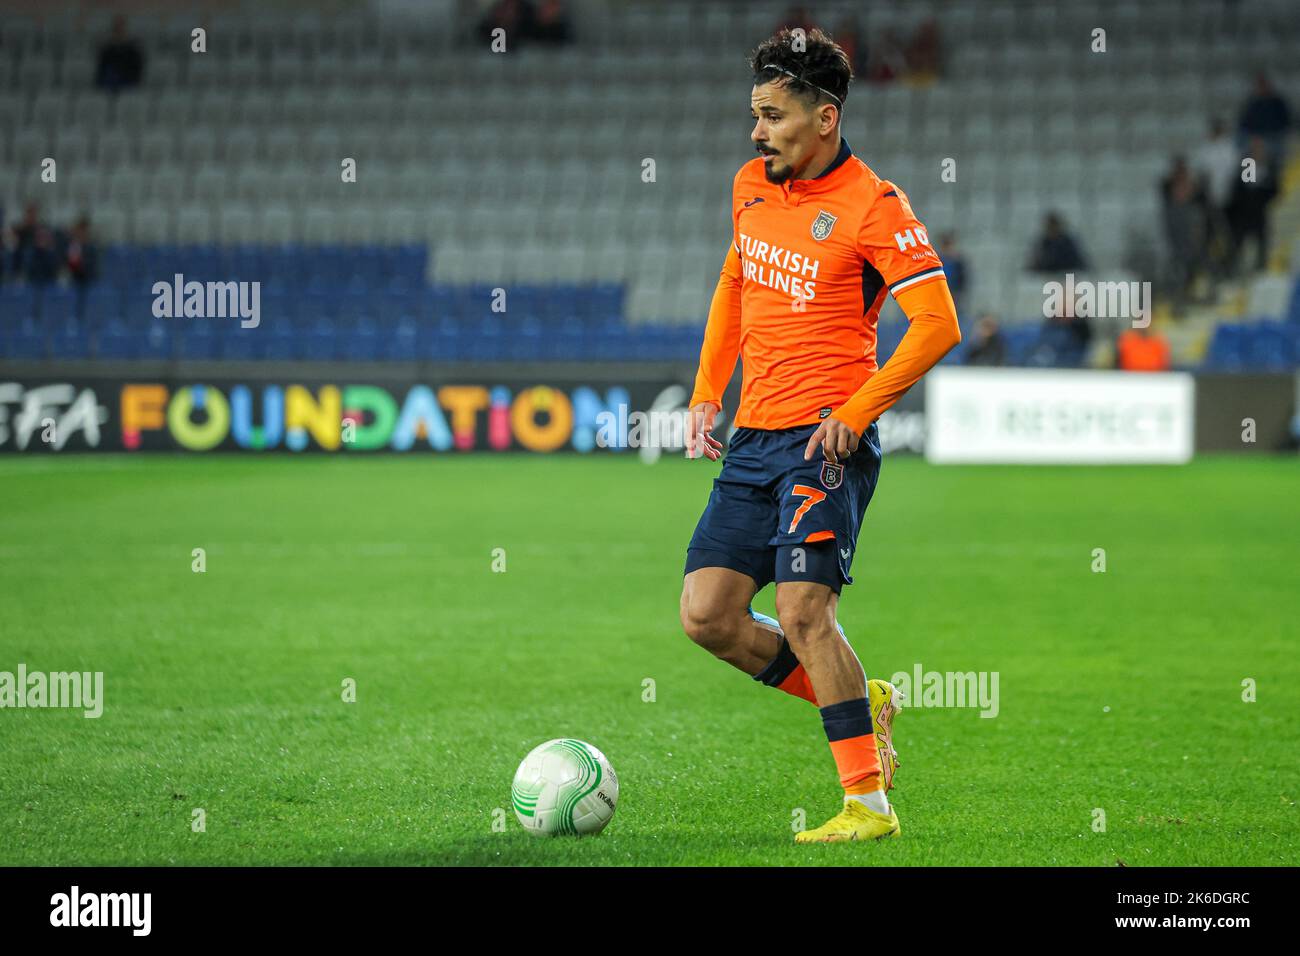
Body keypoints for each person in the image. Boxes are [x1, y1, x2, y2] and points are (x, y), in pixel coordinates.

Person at [681, 28, 960, 844]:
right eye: (754, 114)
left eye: (771, 116)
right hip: (753, 439)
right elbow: (736, 282)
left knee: (805, 612)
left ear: (825, 117)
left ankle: (868, 805)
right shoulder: (750, 186)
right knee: (708, 616)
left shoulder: (875, 206)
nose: (756, 132)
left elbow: (936, 325)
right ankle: (859, 701)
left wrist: (860, 411)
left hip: (823, 444)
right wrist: (707, 390)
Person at [95, 16, 145, 92]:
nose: (119, 30)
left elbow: (136, 70)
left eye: (121, 27)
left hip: (129, 82)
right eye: (117, 28)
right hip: (109, 83)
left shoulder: (133, 49)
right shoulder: (106, 50)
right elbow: (101, 70)